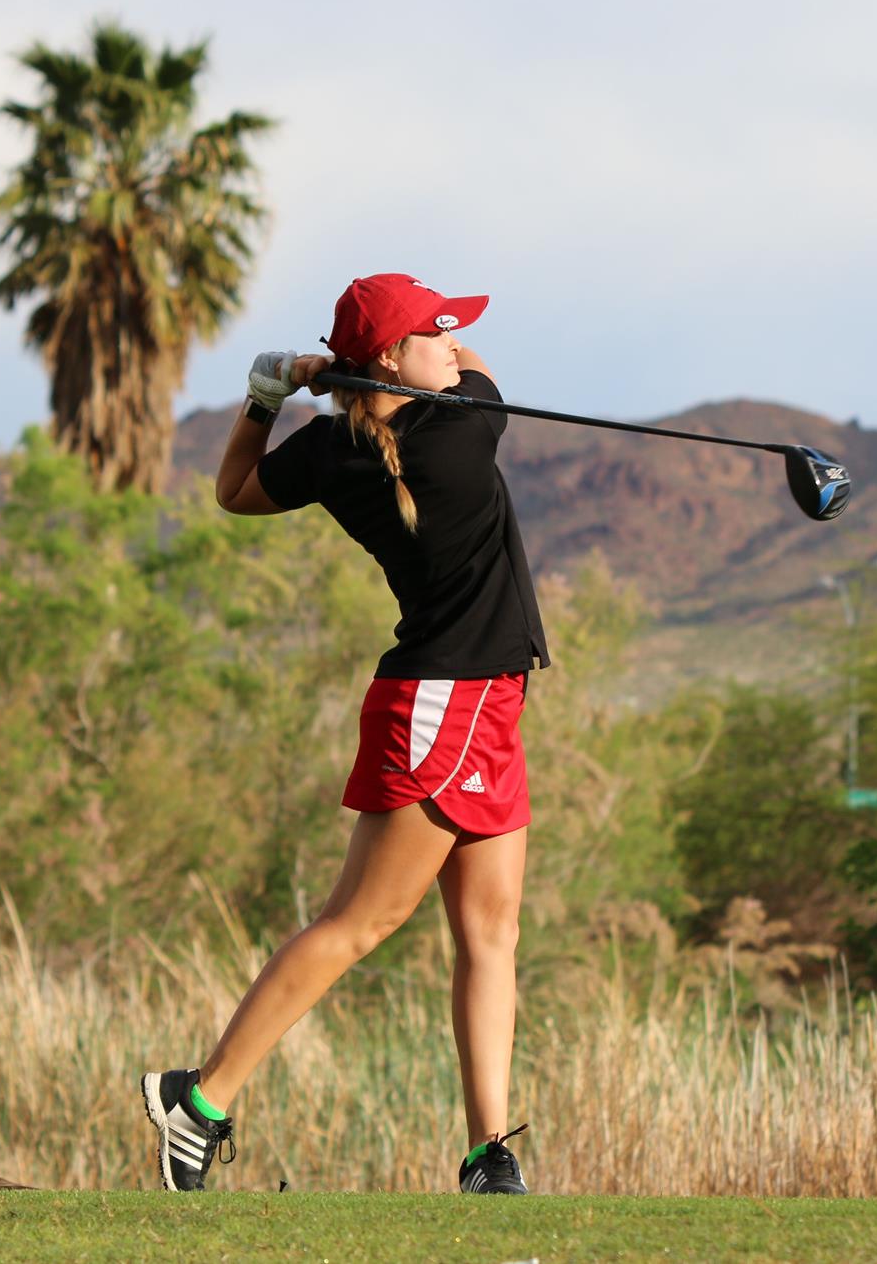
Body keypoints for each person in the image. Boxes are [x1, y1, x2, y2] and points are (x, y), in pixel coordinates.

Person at [142, 273, 550, 1195]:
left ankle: (490, 1154)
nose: (454, 343)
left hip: (479, 699)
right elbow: (483, 371)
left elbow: (235, 491)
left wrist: (273, 391)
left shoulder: (333, 449)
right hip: (448, 703)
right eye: (434, 333)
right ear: (397, 361)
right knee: (360, 921)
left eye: (451, 332)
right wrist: (352, 370)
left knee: (492, 933)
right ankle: (198, 1100)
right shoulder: (461, 427)